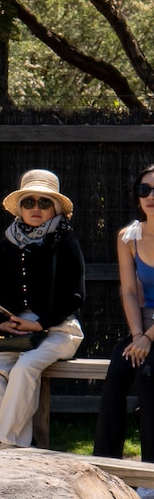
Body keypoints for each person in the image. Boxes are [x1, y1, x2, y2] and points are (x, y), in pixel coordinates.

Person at [0, 168, 85, 450]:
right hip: (19, 330)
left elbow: (75, 296)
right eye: (29, 202)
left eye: (44, 202)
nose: (36, 208)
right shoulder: (8, 242)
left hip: (60, 329)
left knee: (25, 367)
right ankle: (9, 438)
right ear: (20, 208)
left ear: (55, 208)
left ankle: (8, 445)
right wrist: (3, 322)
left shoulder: (66, 241)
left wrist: (41, 323)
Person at [94, 164, 154, 462]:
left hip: (151, 333)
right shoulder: (128, 237)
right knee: (118, 371)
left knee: (147, 376)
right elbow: (128, 291)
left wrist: (147, 339)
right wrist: (137, 335)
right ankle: (105, 465)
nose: (150, 196)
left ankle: (149, 472)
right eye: (144, 189)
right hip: (142, 327)